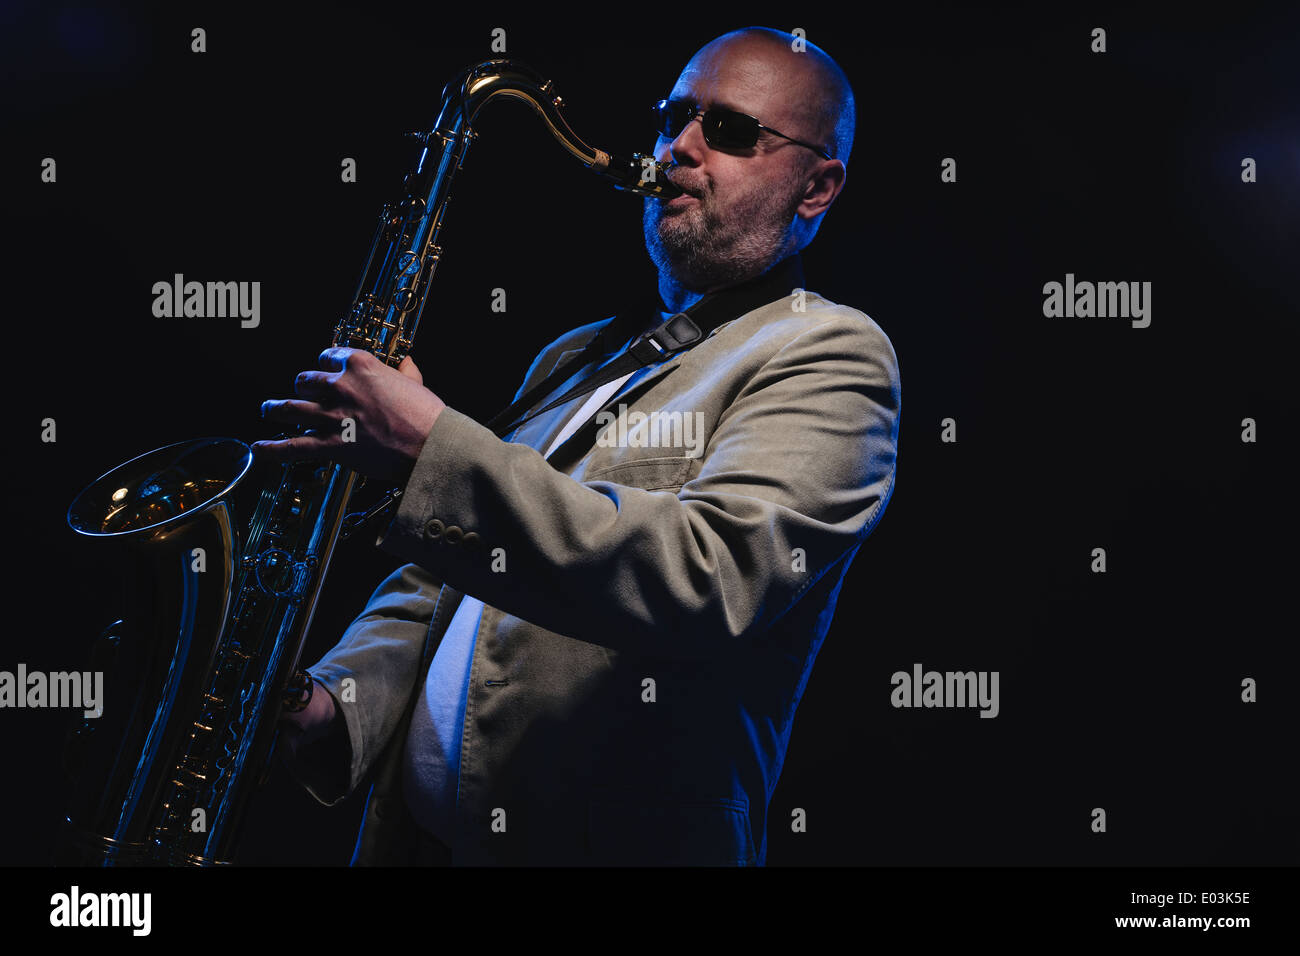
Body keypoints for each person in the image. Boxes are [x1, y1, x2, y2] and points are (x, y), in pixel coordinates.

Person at [258, 26, 901, 866]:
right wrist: (331, 700)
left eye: (733, 131)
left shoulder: (829, 352)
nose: (679, 146)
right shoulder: (574, 356)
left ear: (816, 187)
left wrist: (428, 447)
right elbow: (449, 582)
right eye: (675, 116)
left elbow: (708, 577)